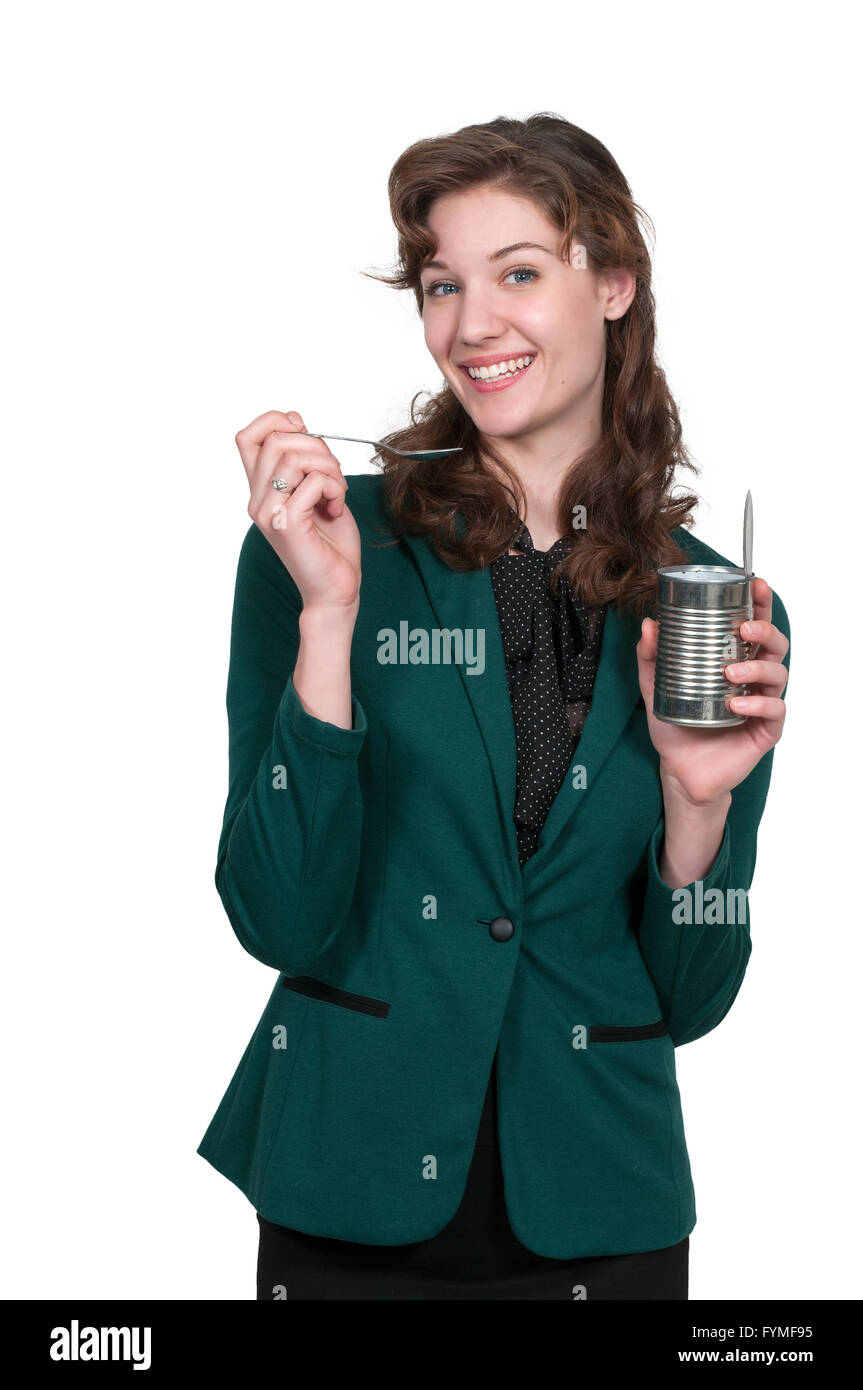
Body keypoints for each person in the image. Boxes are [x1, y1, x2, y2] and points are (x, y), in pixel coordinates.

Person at [197, 114, 790, 1300]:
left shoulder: (709, 606)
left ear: (612, 281)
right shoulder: (322, 549)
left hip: (600, 1211)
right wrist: (326, 624)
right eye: (439, 285)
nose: (470, 325)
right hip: (346, 1191)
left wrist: (694, 811)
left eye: (518, 271)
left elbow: (691, 997)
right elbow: (274, 914)